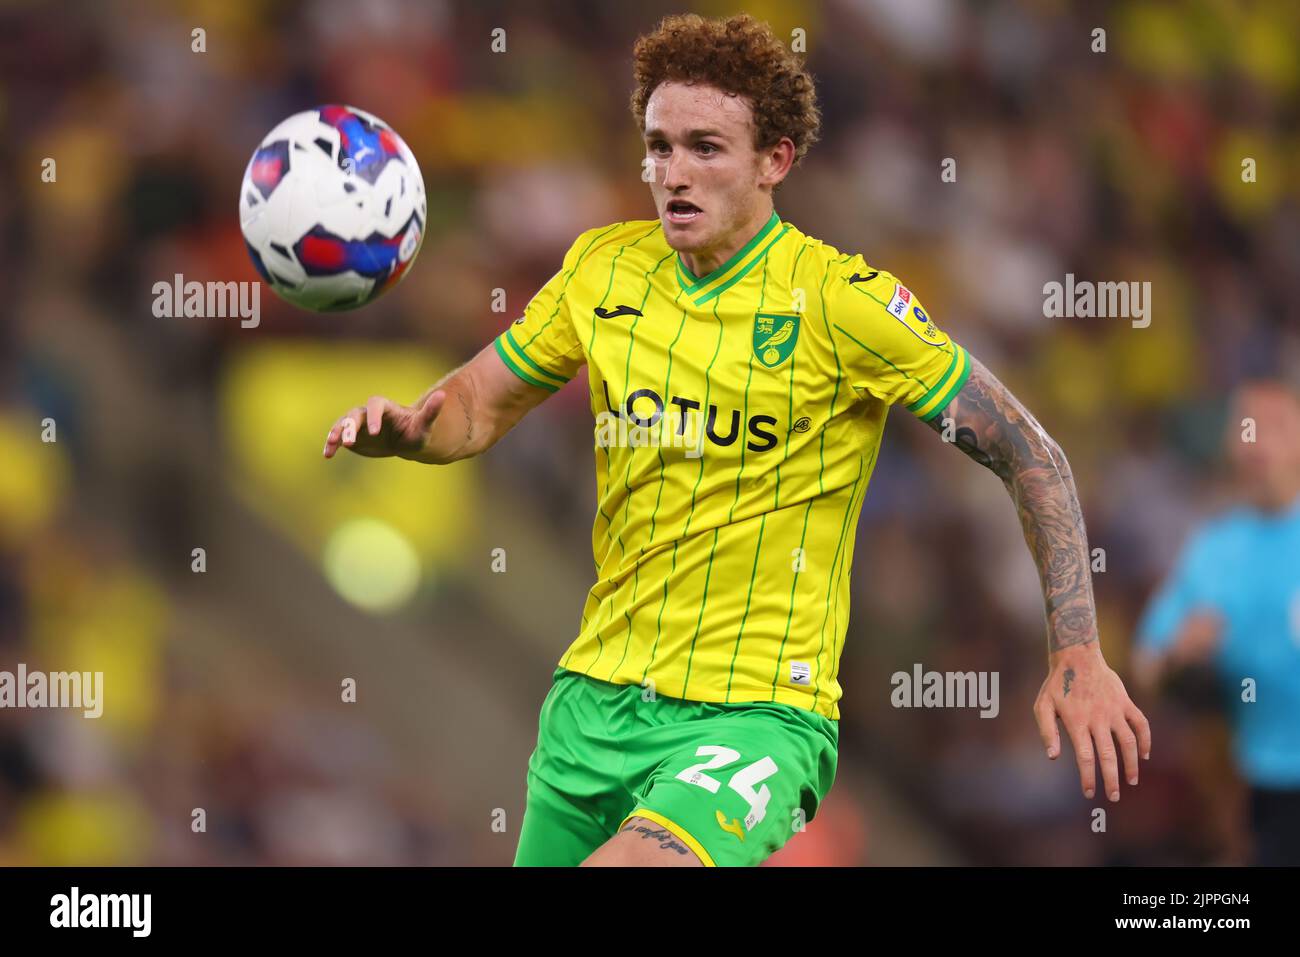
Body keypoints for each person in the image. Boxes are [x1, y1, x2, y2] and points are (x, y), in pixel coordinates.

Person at [323, 13, 1149, 866]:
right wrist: (415, 430)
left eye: (706, 148)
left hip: (757, 715)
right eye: (660, 147)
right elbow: (479, 404)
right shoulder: (601, 270)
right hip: (590, 704)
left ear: (775, 160)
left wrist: (1078, 649)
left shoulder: (841, 302)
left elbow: (1027, 449)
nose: (674, 174)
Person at [1135, 379, 1300, 865]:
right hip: (1264, 787)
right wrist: (1180, 654)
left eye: (1274, 427)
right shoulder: (1215, 549)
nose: (1257, 442)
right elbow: (1148, 663)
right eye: (1246, 428)